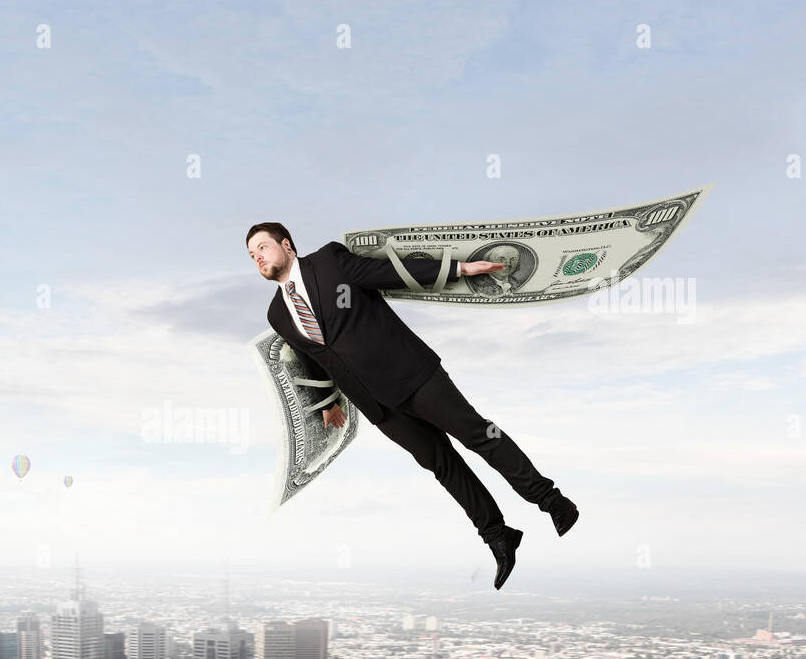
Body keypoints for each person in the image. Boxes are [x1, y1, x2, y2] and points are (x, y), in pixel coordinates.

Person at [247, 222, 579, 589]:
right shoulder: (276, 314)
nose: (257, 256)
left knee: (479, 435)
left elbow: (389, 272)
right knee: (443, 465)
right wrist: (327, 403)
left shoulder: (329, 261)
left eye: (262, 246)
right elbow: (312, 356)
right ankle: (499, 536)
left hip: (414, 375)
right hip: (377, 405)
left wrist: (459, 268)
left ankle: (551, 501)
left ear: (287, 245)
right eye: (252, 254)